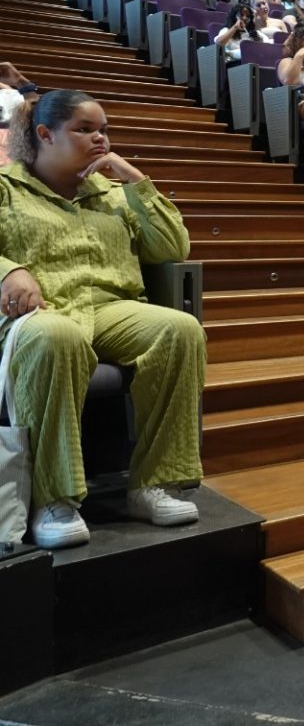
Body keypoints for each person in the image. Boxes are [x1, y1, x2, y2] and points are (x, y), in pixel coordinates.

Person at [1, 88, 204, 549]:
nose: (100, 139)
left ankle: (155, 485)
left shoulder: (112, 193)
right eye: (85, 129)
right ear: (45, 134)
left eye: (104, 130)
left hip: (109, 307)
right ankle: (53, 500)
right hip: (38, 311)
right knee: (57, 336)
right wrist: (9, 270)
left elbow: (173, 248)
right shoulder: (5, 189)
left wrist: (134, 181)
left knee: (180, 330)